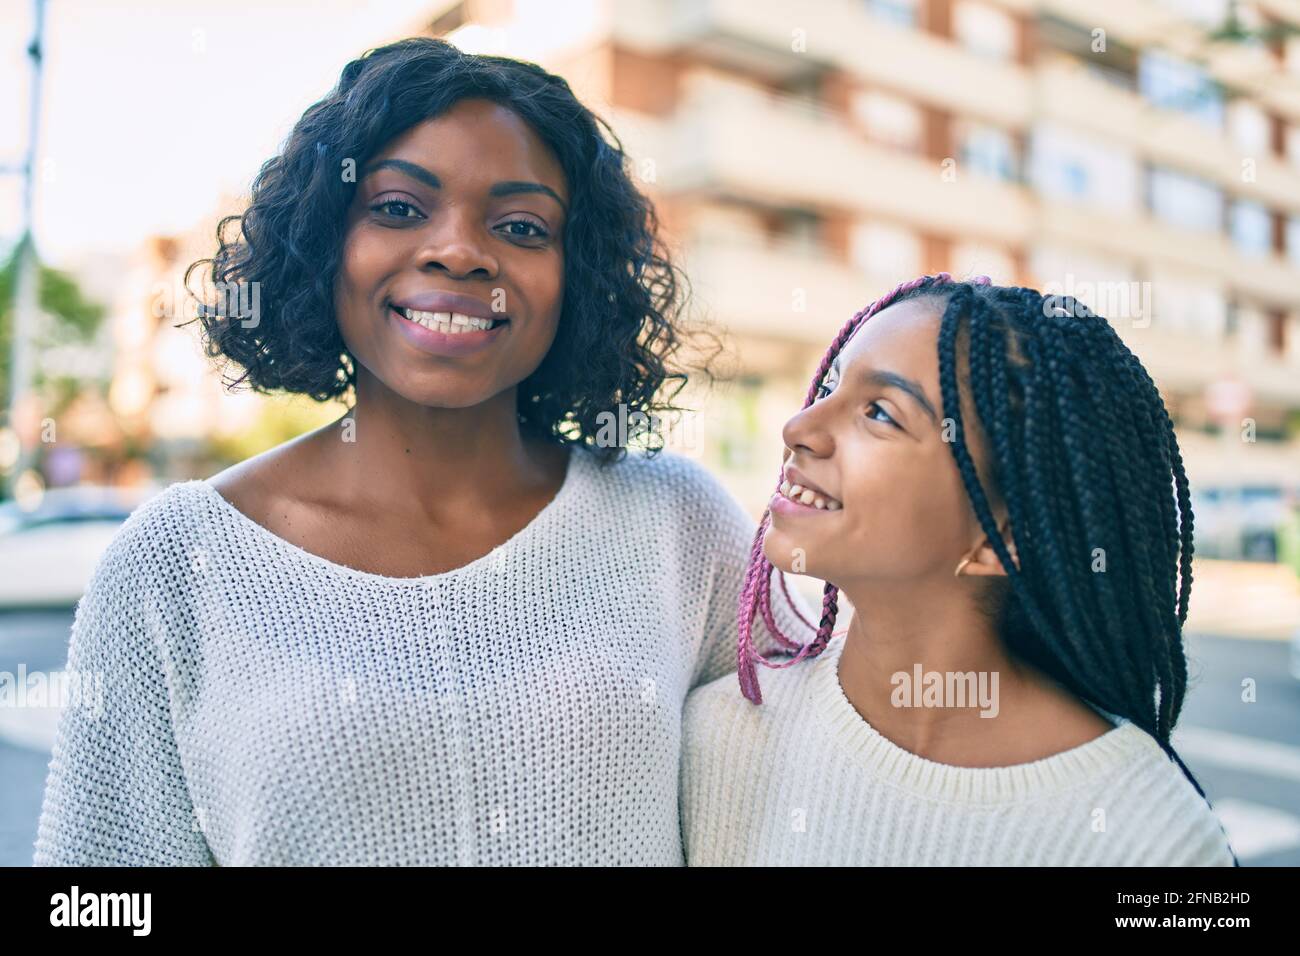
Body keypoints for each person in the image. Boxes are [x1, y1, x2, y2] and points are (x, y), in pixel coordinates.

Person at [32, 37, 809, 866]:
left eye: (520, 225)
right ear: (327, 244)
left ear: (573, 275)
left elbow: (819, 776)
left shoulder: (678, 527)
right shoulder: (174, 566)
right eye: (399, 208)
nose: (460, 251)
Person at [682, 273, 1238, 866]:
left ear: (1003, 538)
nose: (799, 430)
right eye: (832, 384)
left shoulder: (1154, 840)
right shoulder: (722, 735)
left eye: (879, 412)